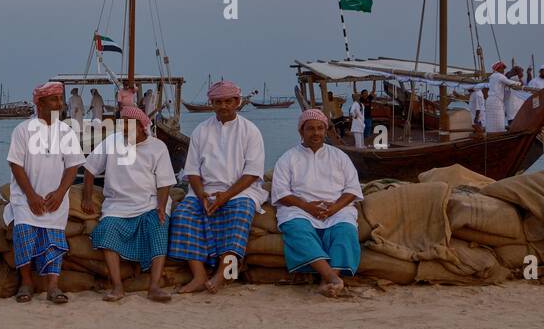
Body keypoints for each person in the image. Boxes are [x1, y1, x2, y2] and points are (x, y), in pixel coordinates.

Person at [167, 79, 266, 294]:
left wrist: (226, 196)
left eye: (228, 101)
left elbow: (253, 173)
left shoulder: (251, 131)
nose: (223, 106)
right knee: (182, 216)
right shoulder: (201, 131)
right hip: (203, 191)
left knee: (239, 215)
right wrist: (202, 194)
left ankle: (224, 274)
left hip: (241, 191)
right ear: (212, 104)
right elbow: (191, 170)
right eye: (218, 102)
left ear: (237, 102)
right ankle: (199, 275)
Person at [81, 105, 176, 303]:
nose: (124, 129)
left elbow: (165, 183)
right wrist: (87, 198)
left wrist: (161, 206)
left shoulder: (157, 147)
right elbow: (89, 169)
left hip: (149, 203)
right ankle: (117, 287)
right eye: (122, 125)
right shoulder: (111, 142)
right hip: (117, 205)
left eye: (128, 125)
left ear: (142, 127)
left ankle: (154, 286)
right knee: (107, 230)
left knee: (159, 225)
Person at [270, 108, 363, 297]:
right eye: (310, 128)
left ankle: (326, 281)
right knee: (297, 229)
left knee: (345, 231)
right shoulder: (288, 158)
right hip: (299, 208)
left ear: (326, 130)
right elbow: (280, 193)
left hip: (336, 208)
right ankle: (332, 278)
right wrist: (308, 207)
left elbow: (352, 189)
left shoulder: (339, 156)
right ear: (301, 131)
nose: (316, 133)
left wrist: (333, 208)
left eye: (320, 128)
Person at [7, 81, 84, 304]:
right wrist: (30, 196)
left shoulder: (66, 131)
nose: (59, 104)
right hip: (25, 198)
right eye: (54, 99)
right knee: (23, 234)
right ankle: (26, 283)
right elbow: (16, 165)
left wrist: (60, 193)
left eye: (60, 99)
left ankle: (53, 287)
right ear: (40, 103)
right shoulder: (23, 130)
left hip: (54, 200)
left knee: (54, 240)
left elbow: (73, 167)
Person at [485, 62, 521, 133]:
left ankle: (491, 134)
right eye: (502, 68)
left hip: (490, 101)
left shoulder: (492, 77)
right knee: (499, 122)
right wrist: (518, 83)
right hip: (496, 102)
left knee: (491, 122)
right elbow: (510, 82)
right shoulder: (500, 76)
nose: (503, 70)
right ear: (498, 69)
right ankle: (497, 135)